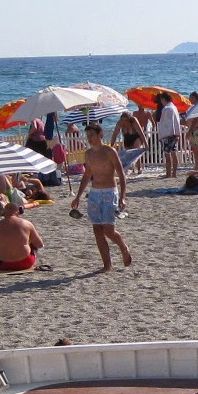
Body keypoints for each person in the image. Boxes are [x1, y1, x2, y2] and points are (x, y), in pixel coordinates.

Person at [72, 123, 131, 272]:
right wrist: (78, 196)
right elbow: (87, 175)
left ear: (100, 135)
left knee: (108, 230)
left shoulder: (109, 151)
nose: (89, 139)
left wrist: (122, 197)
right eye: (88, 136)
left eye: (92, 135)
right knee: (97, 230)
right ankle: (107, 265)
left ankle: (123, 247)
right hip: (95, 194)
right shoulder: (88, 154)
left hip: (110, 192)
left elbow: (121, 175)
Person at [0, 190, 45, 271]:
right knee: (32, 242)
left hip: (3, 265)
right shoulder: (27, 224)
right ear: (18, 211)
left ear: (4, 212)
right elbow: (40, 244)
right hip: (25, 262)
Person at [110, 108, 149, 174]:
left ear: (129, 119)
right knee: (128, 154)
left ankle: (139, 167)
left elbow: (141, 132)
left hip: (136, 136)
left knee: (137, 149)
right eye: (123, 120)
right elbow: (115, 134)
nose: (124, 122)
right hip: (127, 138)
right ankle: (131, 168)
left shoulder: (134, 121)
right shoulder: (120, 123)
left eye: (126, 120)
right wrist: (112, 145)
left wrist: (146, 143)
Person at [155, 93, 183, 180]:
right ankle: (174, 173)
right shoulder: (174, 107)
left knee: (167, 155)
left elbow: (164, 123)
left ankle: (168, 173)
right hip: (174, 133)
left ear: (163, 99)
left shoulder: (166, 109)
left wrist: (161, 135)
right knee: (174, 153)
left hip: (168, 134)